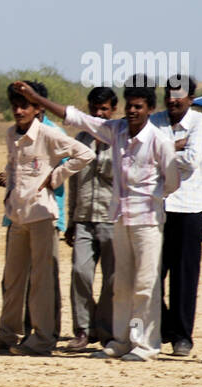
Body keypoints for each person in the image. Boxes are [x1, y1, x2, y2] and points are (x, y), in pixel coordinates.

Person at [19, 75, 180, 362]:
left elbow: (172, 182)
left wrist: (151, 200)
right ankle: (121, 340)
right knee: (121, 286)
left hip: (147, 222)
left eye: (139, 107)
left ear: (149, 109)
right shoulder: (114, 130)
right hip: (119, 219)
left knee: (145, 286)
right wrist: (36, 98)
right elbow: (76, 118)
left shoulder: (160, 141)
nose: (132, 111)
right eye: (130, 106)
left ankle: (144, 344)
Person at [0, 82, 93, 356]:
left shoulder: (49, 134)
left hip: (42, 217)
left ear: (37, 108)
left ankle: (42, 339)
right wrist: (9, 190)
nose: (18, 110)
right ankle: (7, 334)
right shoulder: (10, 133)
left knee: (42, 281)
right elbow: (13, 165)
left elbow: (85, 154)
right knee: (13, 280)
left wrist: (57, 176)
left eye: (24, 105)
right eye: (15, 105)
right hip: (17, 216)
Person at [150, 74, 202, 357]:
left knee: (184, 276)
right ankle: (163, 327)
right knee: (150, 273)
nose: (173, 100)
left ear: (190, 98)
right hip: (158, 207)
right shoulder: (155, 121)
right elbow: (143, 154)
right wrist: (173, 146)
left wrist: (162, 150)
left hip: (189, 207)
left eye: (180, 96)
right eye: (169, 94)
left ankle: (182, 337)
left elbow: (191, 161)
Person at [65, 86, 118, 351]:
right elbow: (73, 182)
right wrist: (70, 220)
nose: (99, 114)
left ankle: (106, 330)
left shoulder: (121, 140)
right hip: (84, 217)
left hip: (111, 218)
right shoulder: (80, 140)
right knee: (80, 272)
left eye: (104, 110)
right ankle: (83, 330)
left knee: (112, 279)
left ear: (113, 111)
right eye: (95, 109)